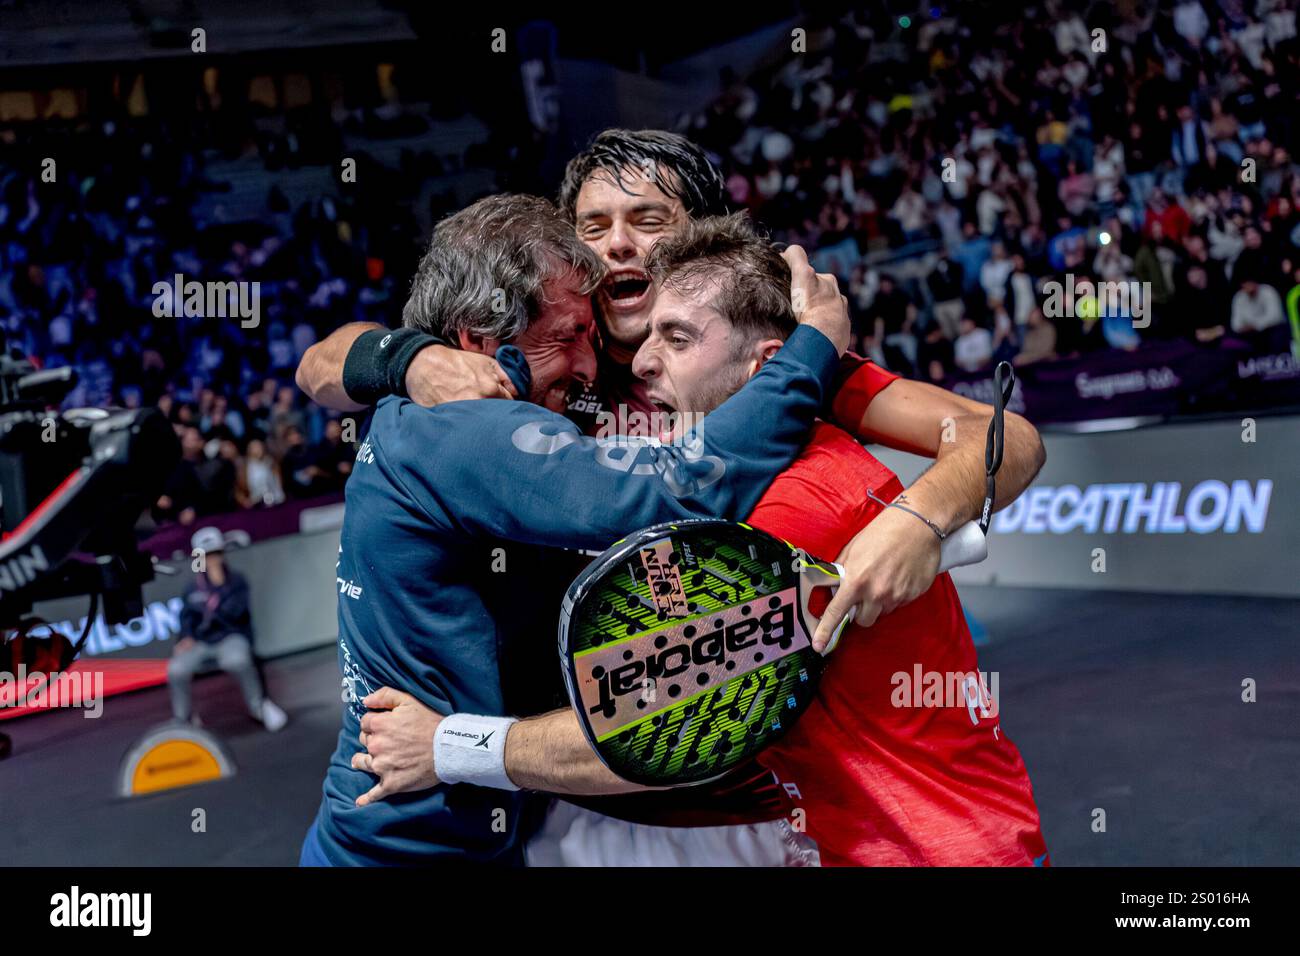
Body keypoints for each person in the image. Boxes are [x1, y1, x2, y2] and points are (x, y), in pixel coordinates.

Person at [352, 215, 1050, 867]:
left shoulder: (786, 498)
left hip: (914, 844)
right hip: (861, 832)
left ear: (771, 367)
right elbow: (327, 367)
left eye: (678, 339)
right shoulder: (597, 387)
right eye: (594, 224)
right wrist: (402, 356)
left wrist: (446, 745)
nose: (644, 362)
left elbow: (636, 734)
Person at [298, 194, 851, 867]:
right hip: (407, 850)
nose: (590, 368)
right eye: (566, 338)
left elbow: (328, 361)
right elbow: (669, 487)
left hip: (460, 835)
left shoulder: (424, 406)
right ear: (477, 342)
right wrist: (810, 351)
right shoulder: (460, 427)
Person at [168, 526, 287, 731]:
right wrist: (186, 636)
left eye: (215, 554)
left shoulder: (236, 582)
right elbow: (186, 616)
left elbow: (236, 613)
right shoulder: (192, 587)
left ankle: (258, 705)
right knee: (176, 669)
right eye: (207, 555)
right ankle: (183, 719)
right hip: (200, 641)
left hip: (230, 637)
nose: (212, 559)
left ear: (222, 553)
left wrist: (218, 590)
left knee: (238, 661)